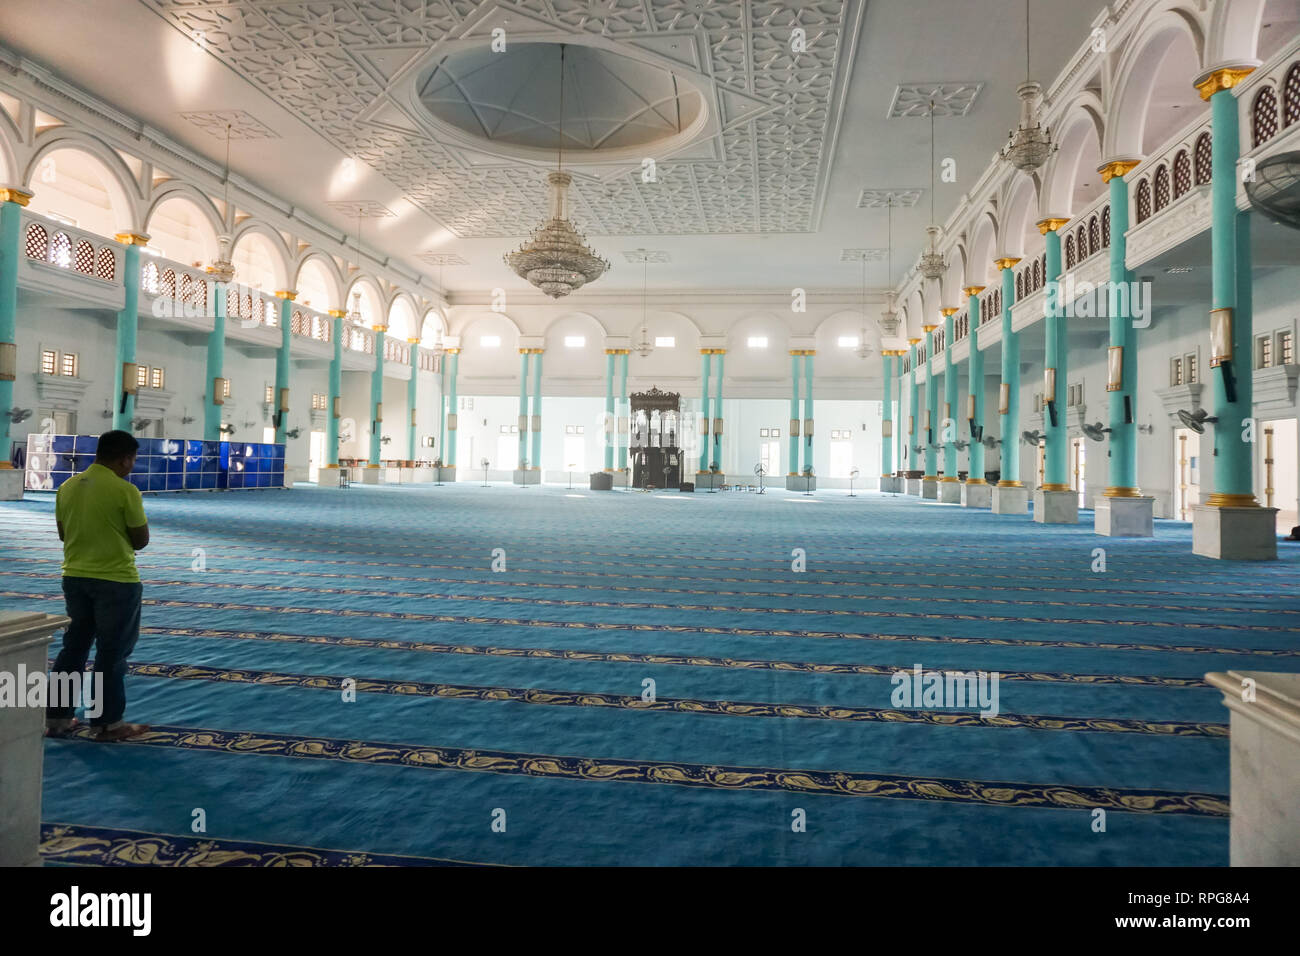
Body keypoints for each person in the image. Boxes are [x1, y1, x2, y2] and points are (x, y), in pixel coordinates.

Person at [46, 430, 151, 741]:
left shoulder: (67, 487)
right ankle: (107, 723)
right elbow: (141, 540)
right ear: (124, 458)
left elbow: (63, 533)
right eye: (131, 460)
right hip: (116, 580)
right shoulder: (124, 491)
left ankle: (58, 718)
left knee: (73, 647)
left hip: (75, 577)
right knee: (111, 652)